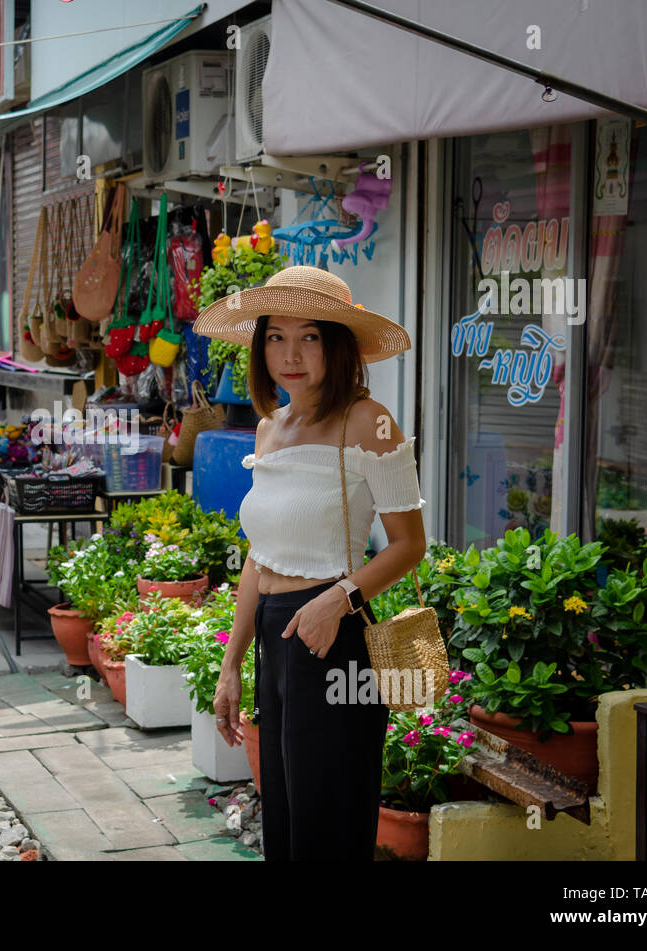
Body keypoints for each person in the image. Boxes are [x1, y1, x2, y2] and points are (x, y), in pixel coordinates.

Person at [191, 265, 427, 860]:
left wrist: (336, 599)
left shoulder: (367, 421)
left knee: (328, 824)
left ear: (337, 343)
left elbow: (408, 544)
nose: (290, 354)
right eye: (275, 336)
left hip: (333, 635)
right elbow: (259, 555)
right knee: (288, 825)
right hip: (276, 634)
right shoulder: (270, 428)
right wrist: (232, 661)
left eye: (309, 336)